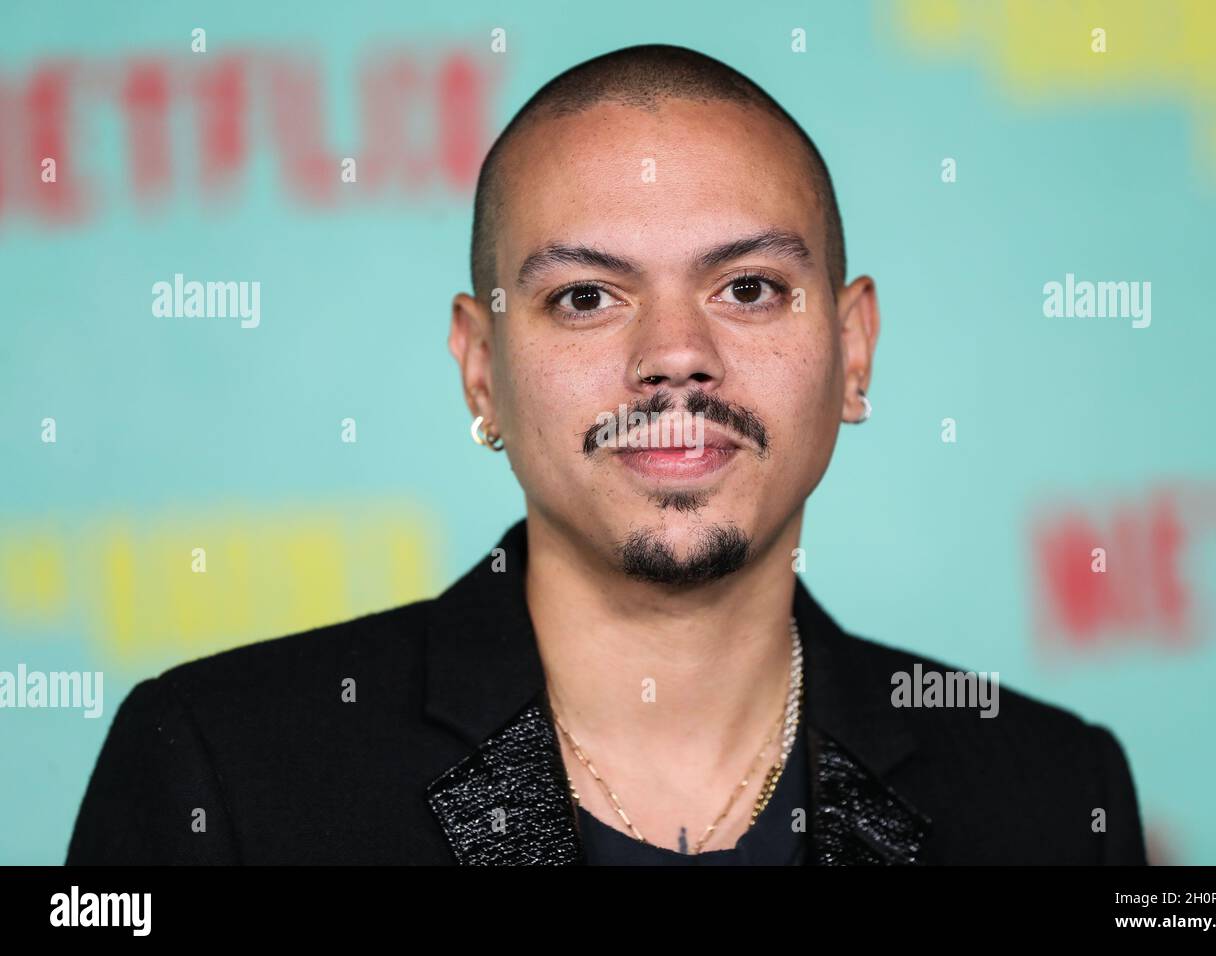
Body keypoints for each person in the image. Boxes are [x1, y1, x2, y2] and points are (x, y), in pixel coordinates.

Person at [66, 43, 1146, 865]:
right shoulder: (225, 768)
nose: (675, 357)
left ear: (852, 350)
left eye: (748, 289)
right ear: (480, 366)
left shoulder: (1049, 790)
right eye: (585, 297)